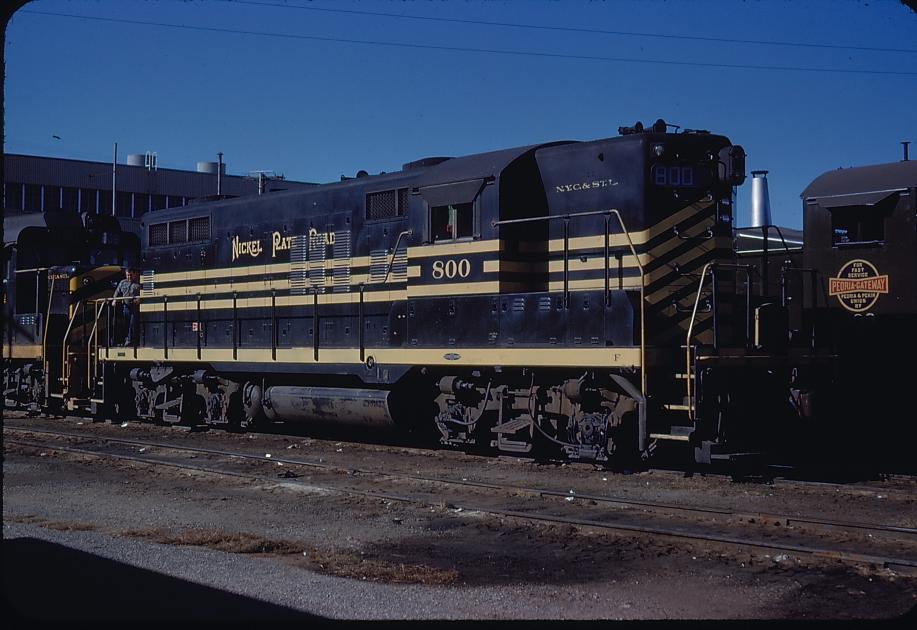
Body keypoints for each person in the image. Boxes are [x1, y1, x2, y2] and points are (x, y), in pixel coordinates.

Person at [113, 267, 141, 346]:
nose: (129, 277)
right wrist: (114, 300)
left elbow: (142, 294)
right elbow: (117, 292)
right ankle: (126, 339)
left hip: (135, 307)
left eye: (131, 275)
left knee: (132, 323)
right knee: (126, 323)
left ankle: (130, 340)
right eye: (127, 275)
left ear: (134, 274)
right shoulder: (122, 283)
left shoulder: (138, 284)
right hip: (126, 306)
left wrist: (139, 300)